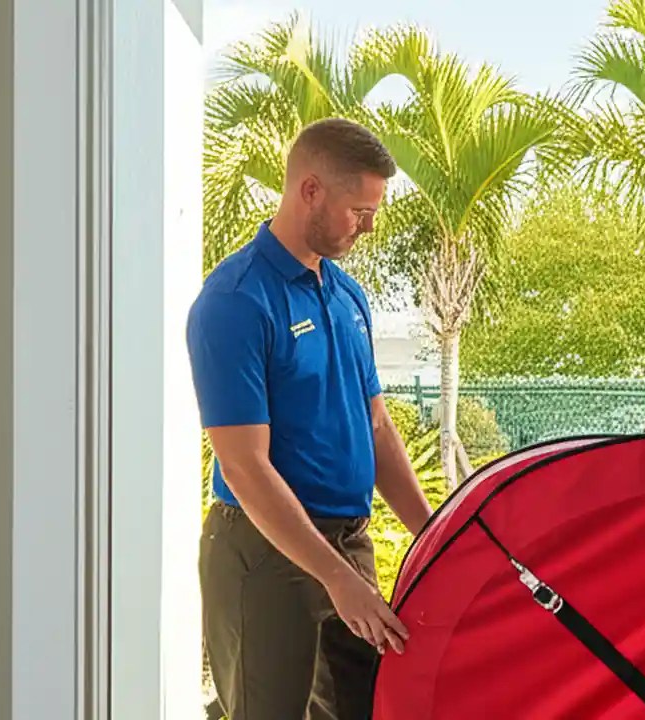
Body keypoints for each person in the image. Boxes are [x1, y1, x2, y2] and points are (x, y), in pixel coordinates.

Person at [187, 118, 434, 720]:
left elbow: (376, 427)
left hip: (348, 542)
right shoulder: (235, 301)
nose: (370, 225)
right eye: (359, 209)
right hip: (263, 553)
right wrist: (334, 576)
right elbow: (244, 465)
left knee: (369, 708)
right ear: (310, 190)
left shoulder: (348, 297)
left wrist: (433, 532)